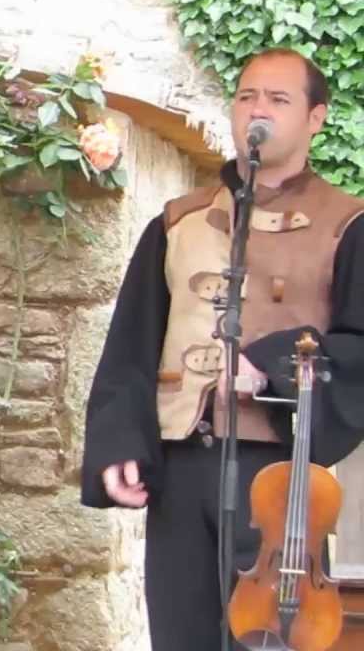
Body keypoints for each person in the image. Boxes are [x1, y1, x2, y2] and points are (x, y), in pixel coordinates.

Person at [80, 47, 364, 650]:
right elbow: (131, 345)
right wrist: (121, 443)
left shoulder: (350, 224)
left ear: (316, 118)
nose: (257, 110)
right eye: (247, 97)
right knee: (180, 636)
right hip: (182, 470)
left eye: (279, 100)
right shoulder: (176, 223)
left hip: (279, 480)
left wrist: (272, 361)